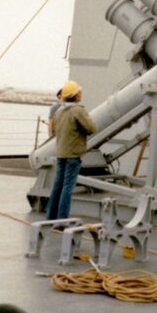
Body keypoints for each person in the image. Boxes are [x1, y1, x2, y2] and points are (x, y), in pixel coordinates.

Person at [46, 80, 96, 221]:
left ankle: (50, 216)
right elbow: (91, 128)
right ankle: (62, 220)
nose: (80, 94)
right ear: (74, 95)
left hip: (61, 153)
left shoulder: (59, 112)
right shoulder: (78, 111)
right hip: (73, 154)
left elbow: (54, 131)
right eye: (79, 92)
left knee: (57, 186)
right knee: (67, 187)